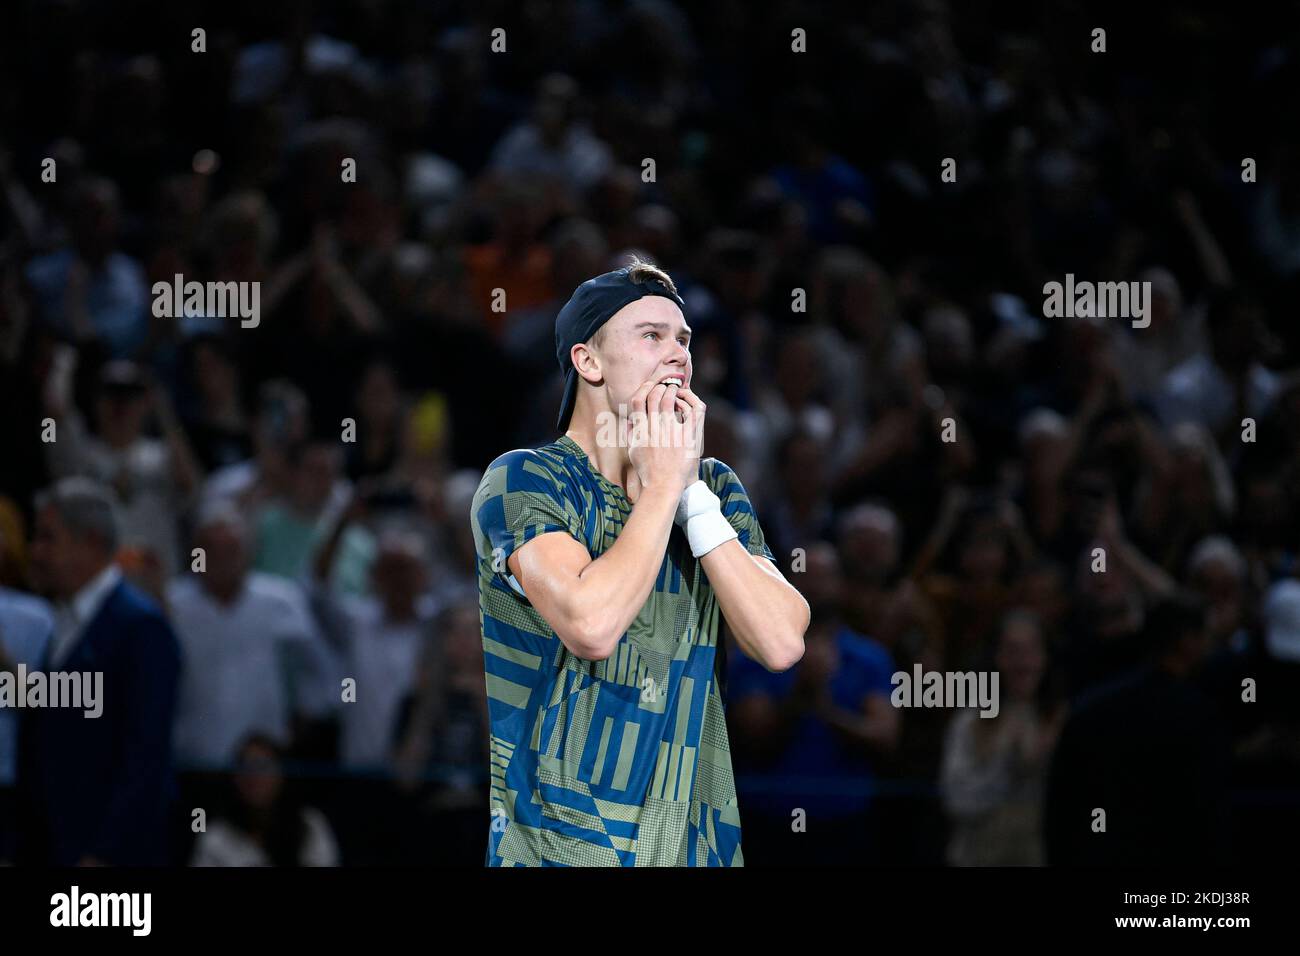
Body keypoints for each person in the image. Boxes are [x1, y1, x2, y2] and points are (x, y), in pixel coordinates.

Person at [471, 258, 809, 866]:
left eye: (683, 339)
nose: (678, 353)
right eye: (651, 335)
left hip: (693, 849)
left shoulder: (712, 489)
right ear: (588, 361)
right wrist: (659, 491)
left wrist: (688, 494)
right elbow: (591, 625)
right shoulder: (525, 478)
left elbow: (782, 642)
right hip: (557, 851)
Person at [19, 477, 182, 866]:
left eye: (48, 538)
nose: (35, 552)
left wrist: (104, 853)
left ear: (90, 543)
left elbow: (146, 757)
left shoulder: (141, 627)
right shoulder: (60, 622)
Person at [190, 734, 340, 867]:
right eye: (246, 768)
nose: (254, 777)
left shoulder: (311, 824)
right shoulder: (215, 836)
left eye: (263, 766)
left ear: (281, 774)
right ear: (234, 778)